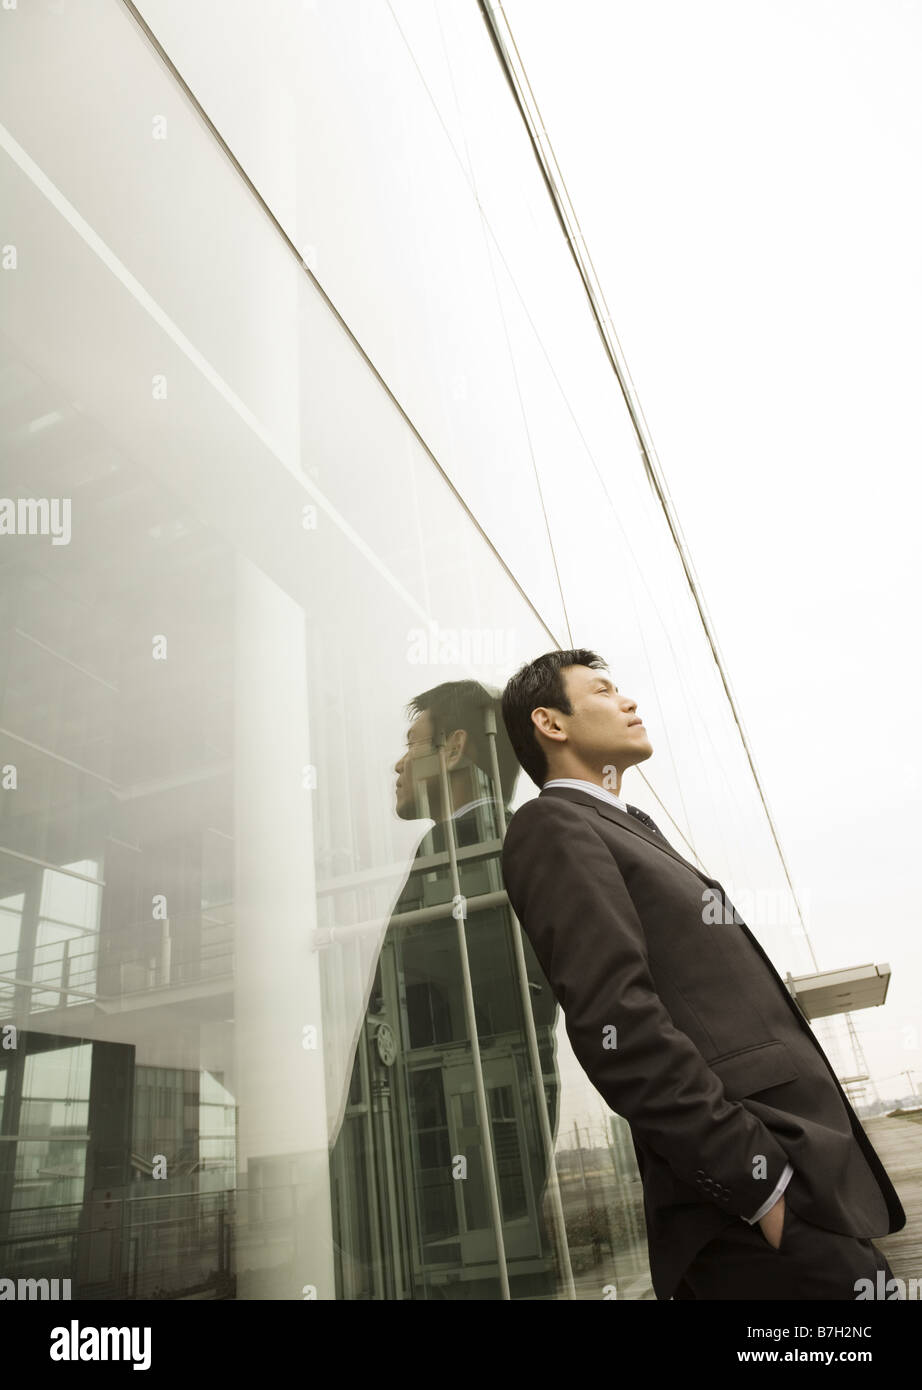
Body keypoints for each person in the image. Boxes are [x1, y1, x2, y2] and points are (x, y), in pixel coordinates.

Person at [500, 647, 906, 1300]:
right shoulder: (553, 825)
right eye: (604, 690)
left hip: (783, 1191)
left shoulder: (627, 827)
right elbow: (616, 1023)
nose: (629, 701)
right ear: (551, 724)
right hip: (743, 1206)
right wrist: (763, 1190)